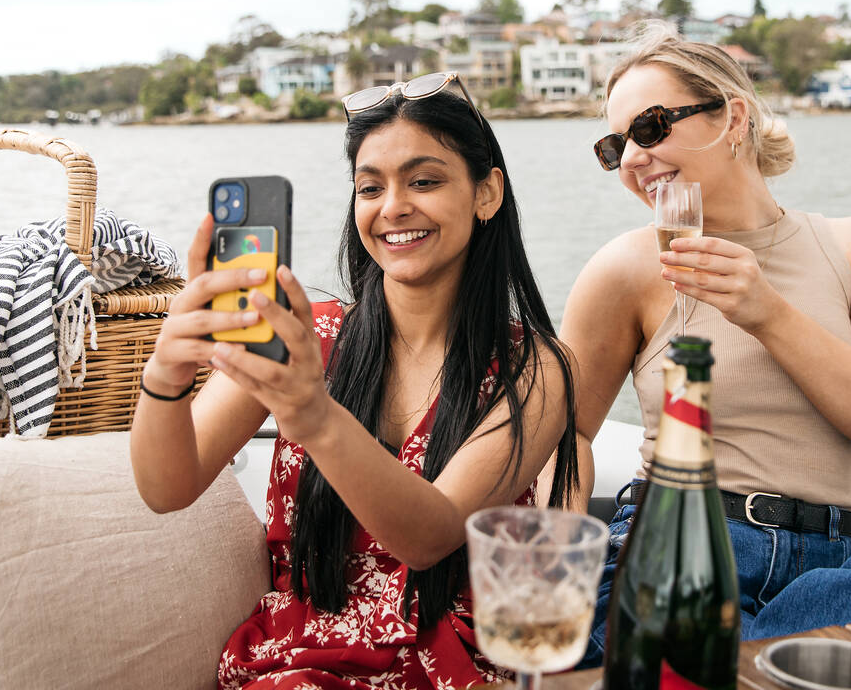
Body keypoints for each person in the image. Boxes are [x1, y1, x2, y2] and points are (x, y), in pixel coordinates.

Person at [561, 22, 851, 665]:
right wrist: (559, 560)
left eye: (651, 127)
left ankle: (750, 660)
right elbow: (567, 435)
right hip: (678, 546)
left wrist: (768, 313)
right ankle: (771, 662)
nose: (632, 157)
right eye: (615, 145)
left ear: (733, 118)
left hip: (832, 570)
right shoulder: (628, 268)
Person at [129, 72, 580, 690]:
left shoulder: (536, 368)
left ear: (486, 193)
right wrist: (166, 375)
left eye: (424, 181)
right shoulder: (305, 336)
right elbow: (166, 488)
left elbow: (430, 535)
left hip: (457, 667)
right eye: (370, 187)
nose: (392, 207)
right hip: (298, 663)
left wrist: (313, 416)